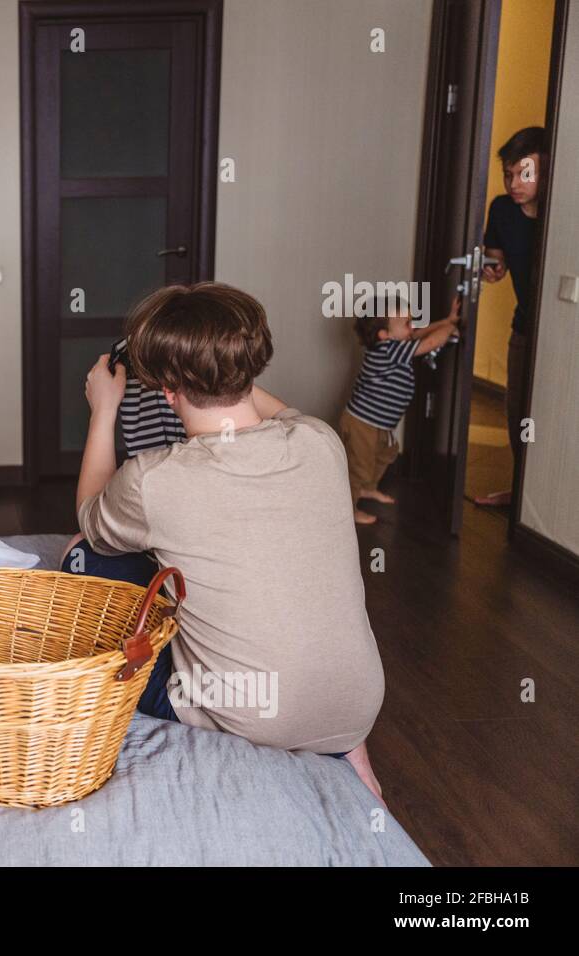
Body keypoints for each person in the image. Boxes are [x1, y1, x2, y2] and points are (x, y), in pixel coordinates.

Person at [61, 282, 388, 805]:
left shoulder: (154, 479)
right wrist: (218, 361)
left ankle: (296, 728)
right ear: (249, 366)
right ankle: (343, 745)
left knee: (84, 550)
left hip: (249, 714)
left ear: (168, 389)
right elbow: (278, 413)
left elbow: (89, 514)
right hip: (356, 707)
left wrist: (104, 408)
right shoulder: (320, 442)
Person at [340, 294, 462, 524]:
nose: (412, 326)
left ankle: (367, 489)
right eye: (406, 323)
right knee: (359, 467)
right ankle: (348, 510)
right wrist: (450, 329)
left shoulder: (393, 342)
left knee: (385, 454)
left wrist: (447, 321)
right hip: (362, 422)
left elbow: (418, 334)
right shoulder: (388, 349)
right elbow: (429, 343)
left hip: (377, 422)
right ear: (384, 335)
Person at [475, 126, 548, 507]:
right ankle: (520, 496)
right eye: (508, 174)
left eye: (526, 173)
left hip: (559, 330)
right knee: (518, 412)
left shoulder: (560, 211)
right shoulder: (502, 209)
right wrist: (492, 269)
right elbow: (495, 258)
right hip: (524, 324)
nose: (515, 182)